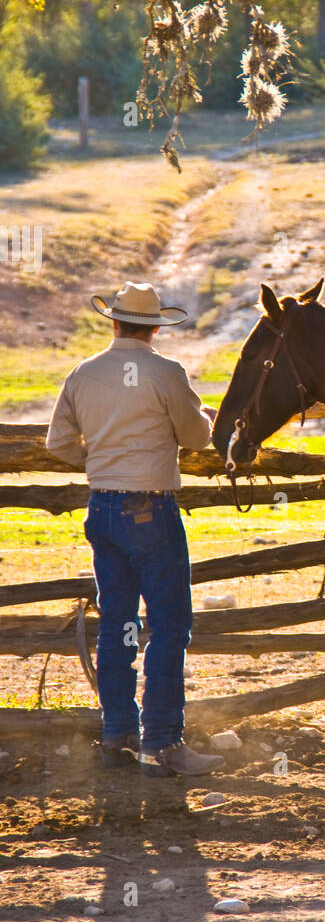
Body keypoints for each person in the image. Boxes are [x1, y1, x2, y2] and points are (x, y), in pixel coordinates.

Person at [46, 281, 224, 777]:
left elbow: (58, 442)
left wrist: (100, 460)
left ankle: (119, 734)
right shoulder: (165, 372)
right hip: (150, 507)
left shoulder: (83, 373)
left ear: (116, 322)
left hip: (101, 505)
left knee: (119, 621)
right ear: (154, 328)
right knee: (169, 624)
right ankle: (162, 742)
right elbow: (196, 436)